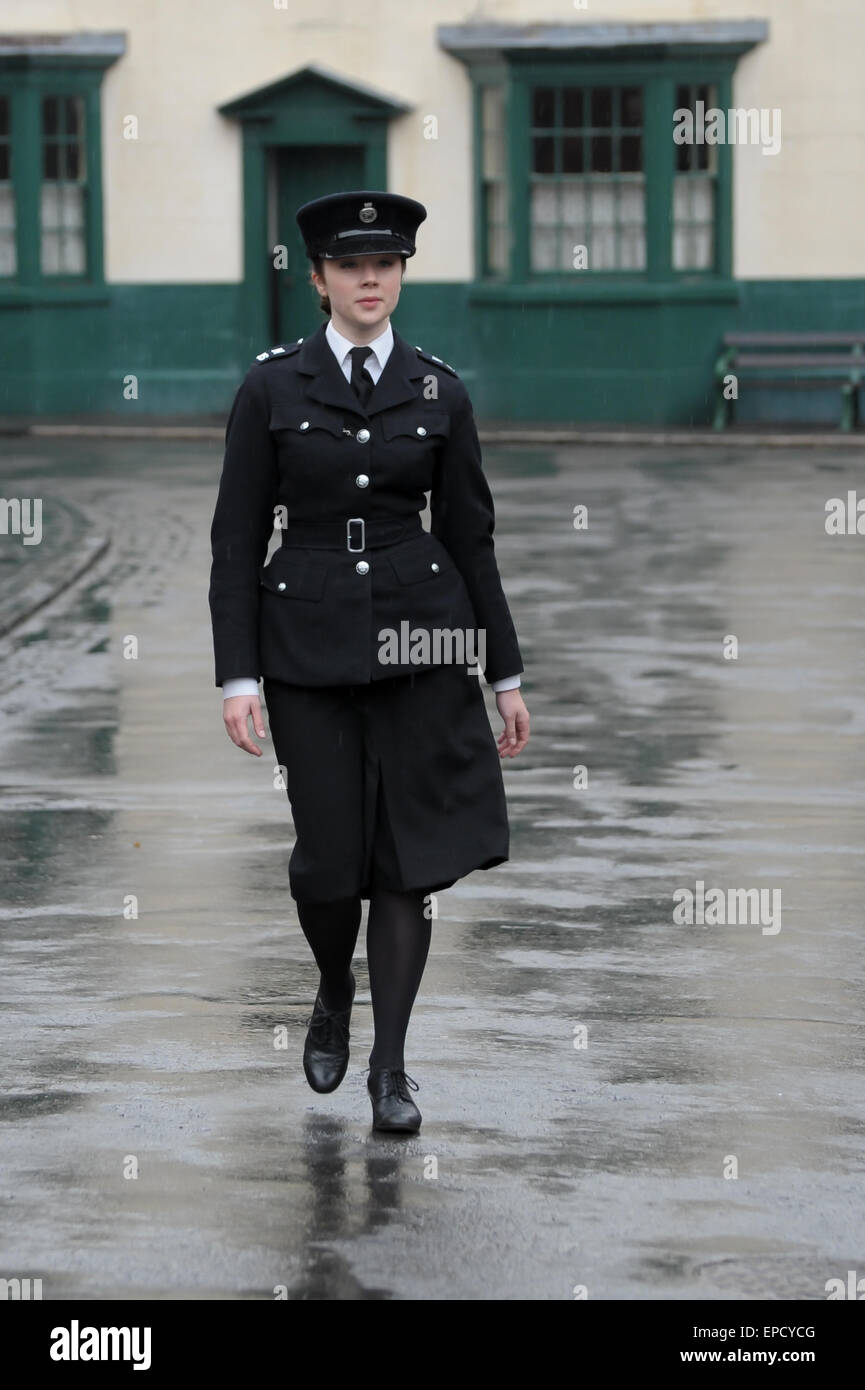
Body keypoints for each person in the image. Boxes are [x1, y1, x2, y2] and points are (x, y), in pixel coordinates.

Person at [209, 189, 529, 1133]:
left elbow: (474, 541)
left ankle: (391, 1068)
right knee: (326, 864)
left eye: (385, 265)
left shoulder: (439, 389)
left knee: (406, 866)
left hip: (424, 641)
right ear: (318, 280)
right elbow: (235, 542)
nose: (370, 281)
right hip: (304, 646)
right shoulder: (271, 387)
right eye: (351, 267)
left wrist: (503, 677)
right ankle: (329, 990)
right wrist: (237, 677)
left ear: (400, 275)